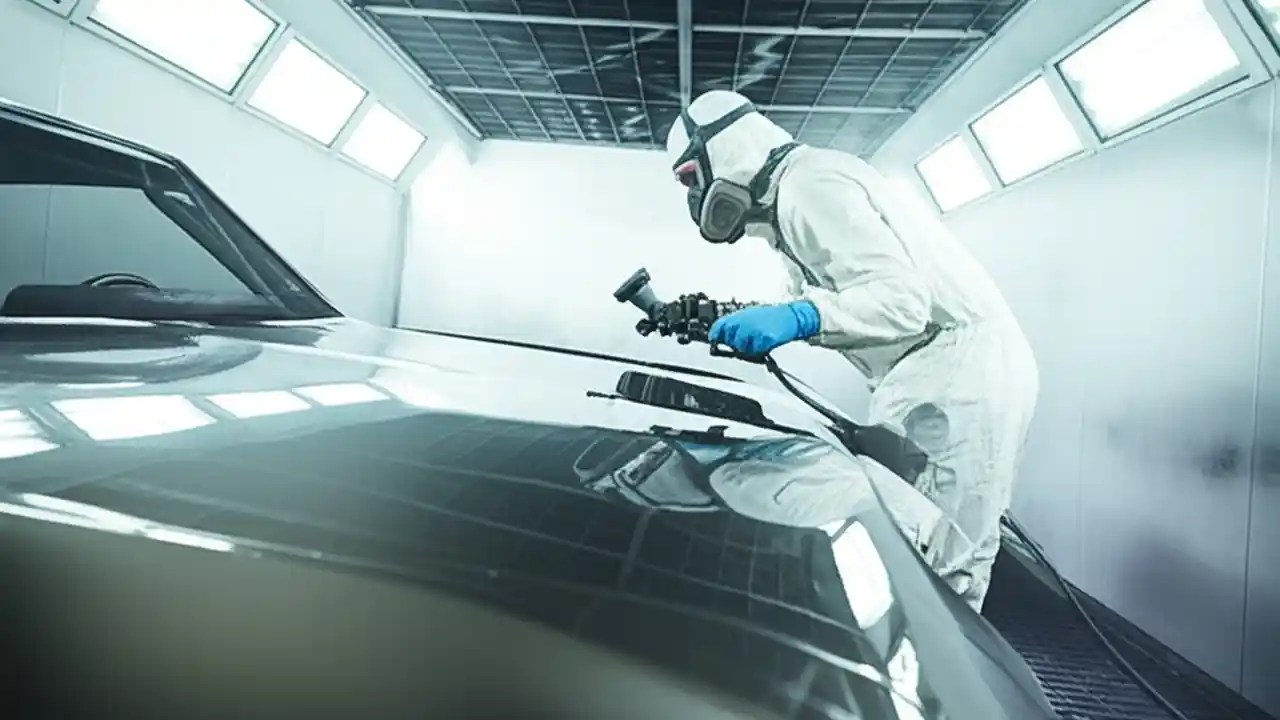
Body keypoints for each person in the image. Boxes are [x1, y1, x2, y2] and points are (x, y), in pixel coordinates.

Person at [665, 89, 1039, 611]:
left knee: (937, 557)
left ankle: (933, 686)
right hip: (933, 370)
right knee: (910, 541)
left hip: (957, 370)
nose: (693, 195)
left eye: (689, 178)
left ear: (723, 148)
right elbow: (830, 294)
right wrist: (729, 316)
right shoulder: (791, 198)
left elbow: (904, 302)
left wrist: (800, 319)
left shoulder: (810, 186)